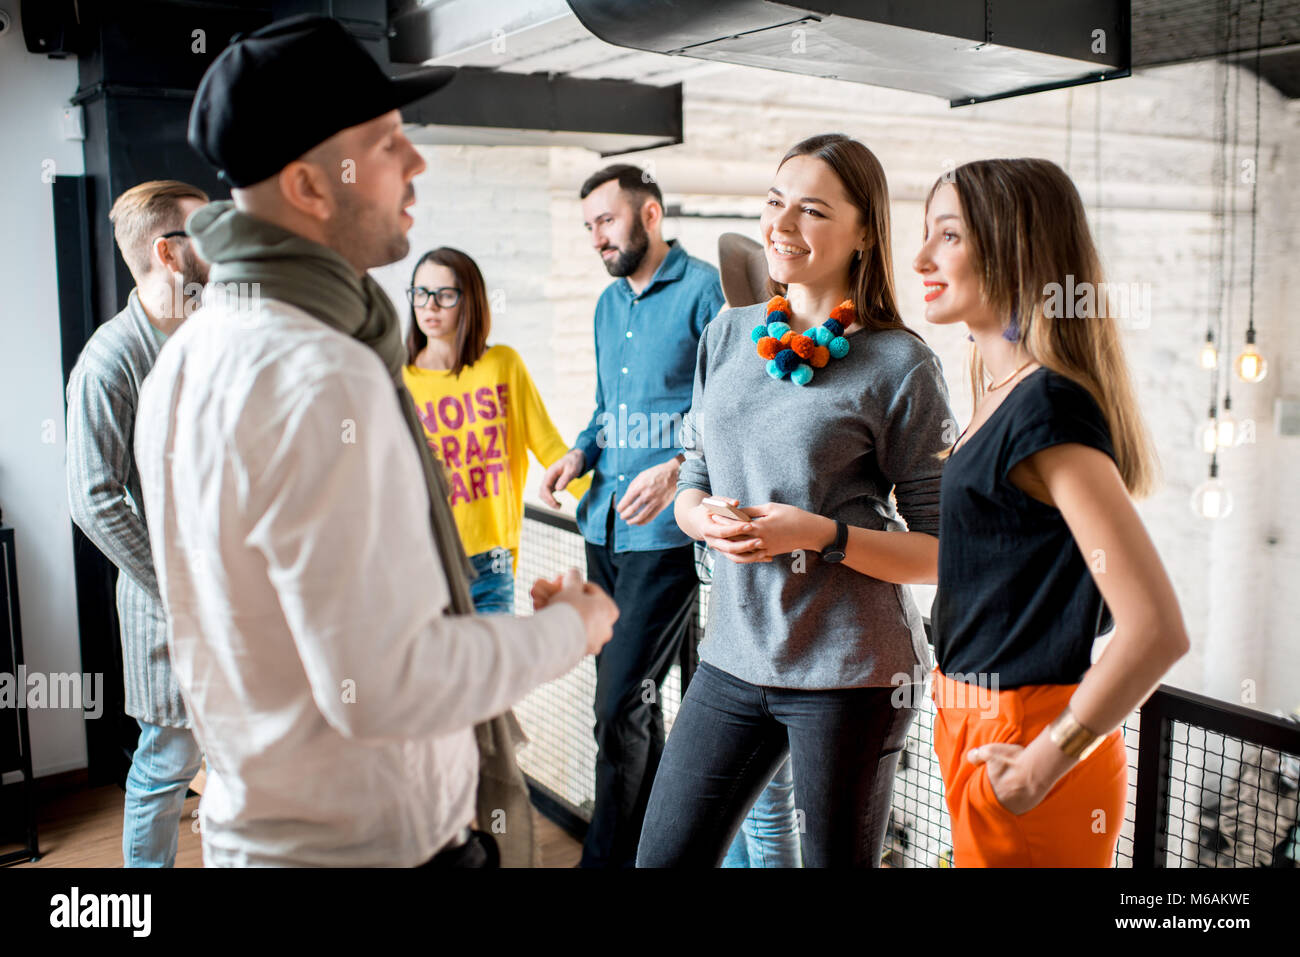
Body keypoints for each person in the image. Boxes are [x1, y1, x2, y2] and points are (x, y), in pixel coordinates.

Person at [133, 14, 617, 867]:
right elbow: (388, 684)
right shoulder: (322, 373)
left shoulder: (189, 353)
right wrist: (570, 632)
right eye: (389, 142)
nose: (416, 162)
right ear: (312, 188)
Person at [637, 133, 955, 867]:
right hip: (733, 656)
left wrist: (818, 533)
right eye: (775, 202)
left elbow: (943, 553)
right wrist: (699, 518)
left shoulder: (901, 363)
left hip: (851, 672)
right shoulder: (727, 334)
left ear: (864, 232)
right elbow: (693, 476)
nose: (780, 226)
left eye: (811, 210)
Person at [913, 157, 1189, 867]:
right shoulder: (999, 392)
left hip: (1022, 733)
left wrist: (1043, 763)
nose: (921, 257)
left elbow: (1155, 628)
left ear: (1012, 247)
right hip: (973, 719)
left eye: (948, 235)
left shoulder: (1045, 403)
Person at [539, 164, 725, 868]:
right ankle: (651, 850)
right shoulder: (607, 305)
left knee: (621, 705)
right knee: (624, 705)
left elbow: (722, 411)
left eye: (607, 221)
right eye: (589, 225)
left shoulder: (707, 290)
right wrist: (579, 454)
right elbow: (603, 412)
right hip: (602, 528)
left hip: (664, 534)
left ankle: (607, 861)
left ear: (649, 215)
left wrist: (679, 466)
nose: (597, 237)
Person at [66, 179, 210, 867]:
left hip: (245, 599)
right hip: (168, 611)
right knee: (166, 764)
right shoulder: (109, 359)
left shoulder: (221, 324)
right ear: (169, 251)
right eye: (206, 228)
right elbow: (93, 498)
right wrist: (179, 584)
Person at [402, 246, 590, 614]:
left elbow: (548, 444)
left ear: (468, 300)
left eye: (445, 295)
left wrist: (605, 507)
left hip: (491, 562)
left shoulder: (503, 365)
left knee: (495, 670)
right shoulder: (400, 380)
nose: (430, 306)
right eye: (420, 293)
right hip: (424, 558)